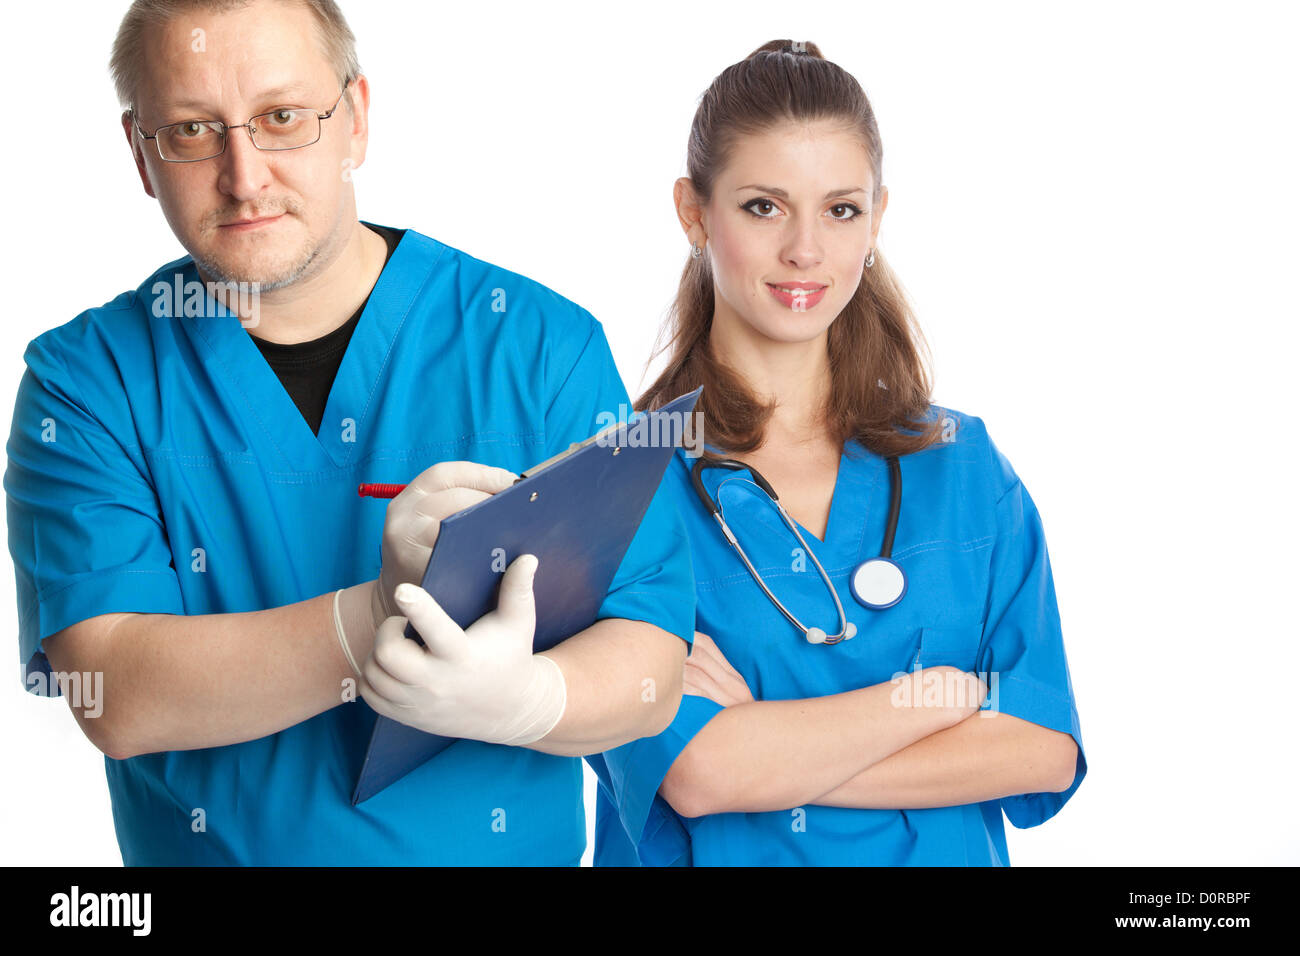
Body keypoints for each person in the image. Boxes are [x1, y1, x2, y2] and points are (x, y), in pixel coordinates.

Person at [5, 0, 693, 865]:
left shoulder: (535, 346)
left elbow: (650, 663)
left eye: (282, 118)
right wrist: (370, 620)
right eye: (191, 131)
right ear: (142, 154)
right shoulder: (87, 385)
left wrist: (528, 697)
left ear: (356, 118)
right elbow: (117, 696)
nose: (244, 175)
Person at [589, 39, 1087, 866]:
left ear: (877, 219)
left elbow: (1042, 749)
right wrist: (934, 699)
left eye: (841, 210)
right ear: (693, 212)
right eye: (763, 206)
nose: (805, 252)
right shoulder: (621, 481)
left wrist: (770, 747)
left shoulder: (963, 467)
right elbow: (702, 773)